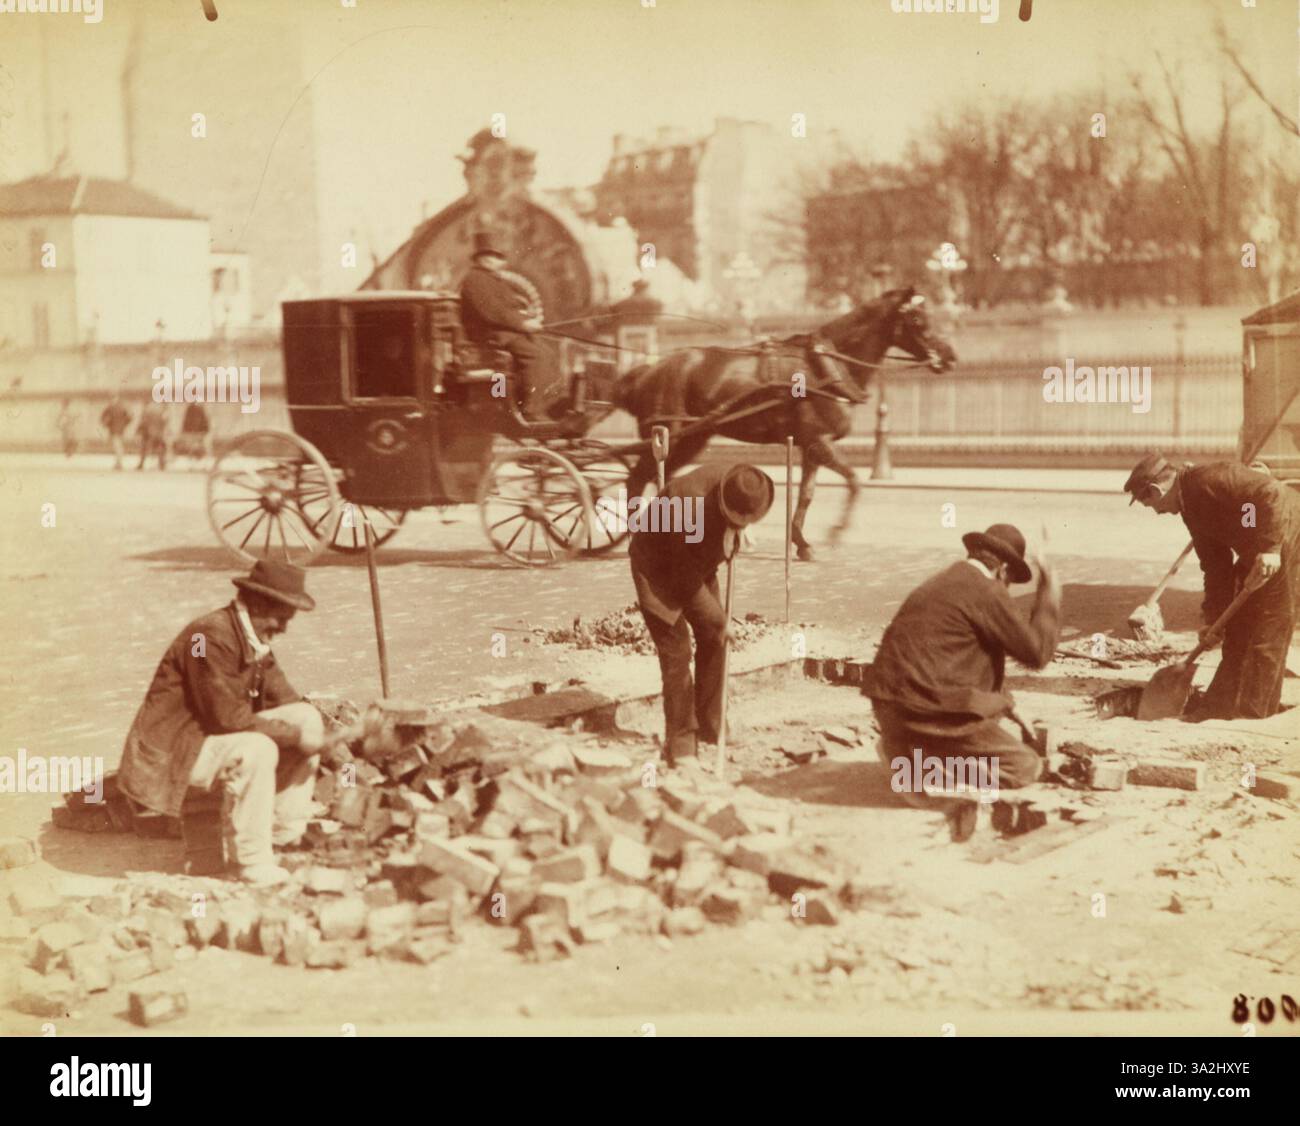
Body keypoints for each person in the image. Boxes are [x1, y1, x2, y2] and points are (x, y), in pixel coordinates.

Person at [118, 561, 325, 885]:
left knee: (307, 718)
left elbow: (287, 701)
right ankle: (251, 862)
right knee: (257, 749)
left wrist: (335, 741)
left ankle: (281, 836)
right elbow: (228, 717)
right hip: (174, 753)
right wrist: (298, 736)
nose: (283, 628)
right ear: (257, 604)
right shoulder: (207, 637)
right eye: (280, 618)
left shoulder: (253, 639)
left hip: (206, 738)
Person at [867, 523, 1060, 815]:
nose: (1007, 588)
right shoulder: (986, 591)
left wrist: (1007, 704)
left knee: (987, 737)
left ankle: (903, 748)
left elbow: (950, 659)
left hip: (890, 708)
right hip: (927, 712)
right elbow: (1038, 653)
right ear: (1003, 570)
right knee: (1025, 767)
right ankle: (920, 767)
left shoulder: (942, 582)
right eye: (1010, 580)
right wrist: (1050, 584)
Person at [1124, 454, 1300, 720]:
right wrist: (1214, 618)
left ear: (1155, 490)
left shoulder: (1210, 480)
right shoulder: (1190, 509)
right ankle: (1221, 705)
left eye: (1150, 505)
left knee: (1268, 625)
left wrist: (1269, 548)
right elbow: (1216, 567)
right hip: (1261, 544)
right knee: (1238, 626)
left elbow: (1268, 492)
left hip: (1287, 533)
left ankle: (1254, 712)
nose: (1157, 512)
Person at [629, 462, 775, 766]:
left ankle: (712, 723)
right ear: (723, 502)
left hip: (698, 562)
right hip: (658, 569)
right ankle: (681, 741)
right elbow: (682, 577)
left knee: (715, 639)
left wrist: (739, 528)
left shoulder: (740, 483)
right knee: (677, 653)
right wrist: (720, 619)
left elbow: (700, 561)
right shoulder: (686, 503)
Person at [458, 231, 555, 418]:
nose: (491, 259)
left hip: (507, 333)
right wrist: (523, 324)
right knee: (536, 357)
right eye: (486, 255)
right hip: (492, 336)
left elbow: (510, 307)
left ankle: (539, 403)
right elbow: (492, 312)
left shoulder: (494, 279)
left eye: (495, 256)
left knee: (548, 353)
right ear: (479, 258)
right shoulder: (474, 280)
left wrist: (526, 316)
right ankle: (531, 409)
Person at [100, 392, 131, 470]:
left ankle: (119, 463)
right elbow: (129, 418)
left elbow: (103, 417)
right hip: (119, 429)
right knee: (118, 446)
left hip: (115, 430)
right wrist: (124, 425)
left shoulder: (111, 407)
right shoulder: (122, 407)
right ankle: (118, 462)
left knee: (117, 446)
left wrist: (106, 424)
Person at [136, 399, 168, 470]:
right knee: (159, 447)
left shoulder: (147, 411)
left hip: (148, 433)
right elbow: (164, 422)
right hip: (158, 433)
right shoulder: (160, 411)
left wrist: (138, 431)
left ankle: (141, 464)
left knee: (144, 448)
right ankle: (161, 463)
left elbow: (143, 422)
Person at [178, 401, 212, 468]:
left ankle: (202, 462)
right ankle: (193, 462)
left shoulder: (200, 408)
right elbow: (186, 421)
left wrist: (205, 431)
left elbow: (204, 420)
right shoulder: (191, 409)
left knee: (197, 447)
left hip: (197, 433)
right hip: (192, 433)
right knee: (192, 448)